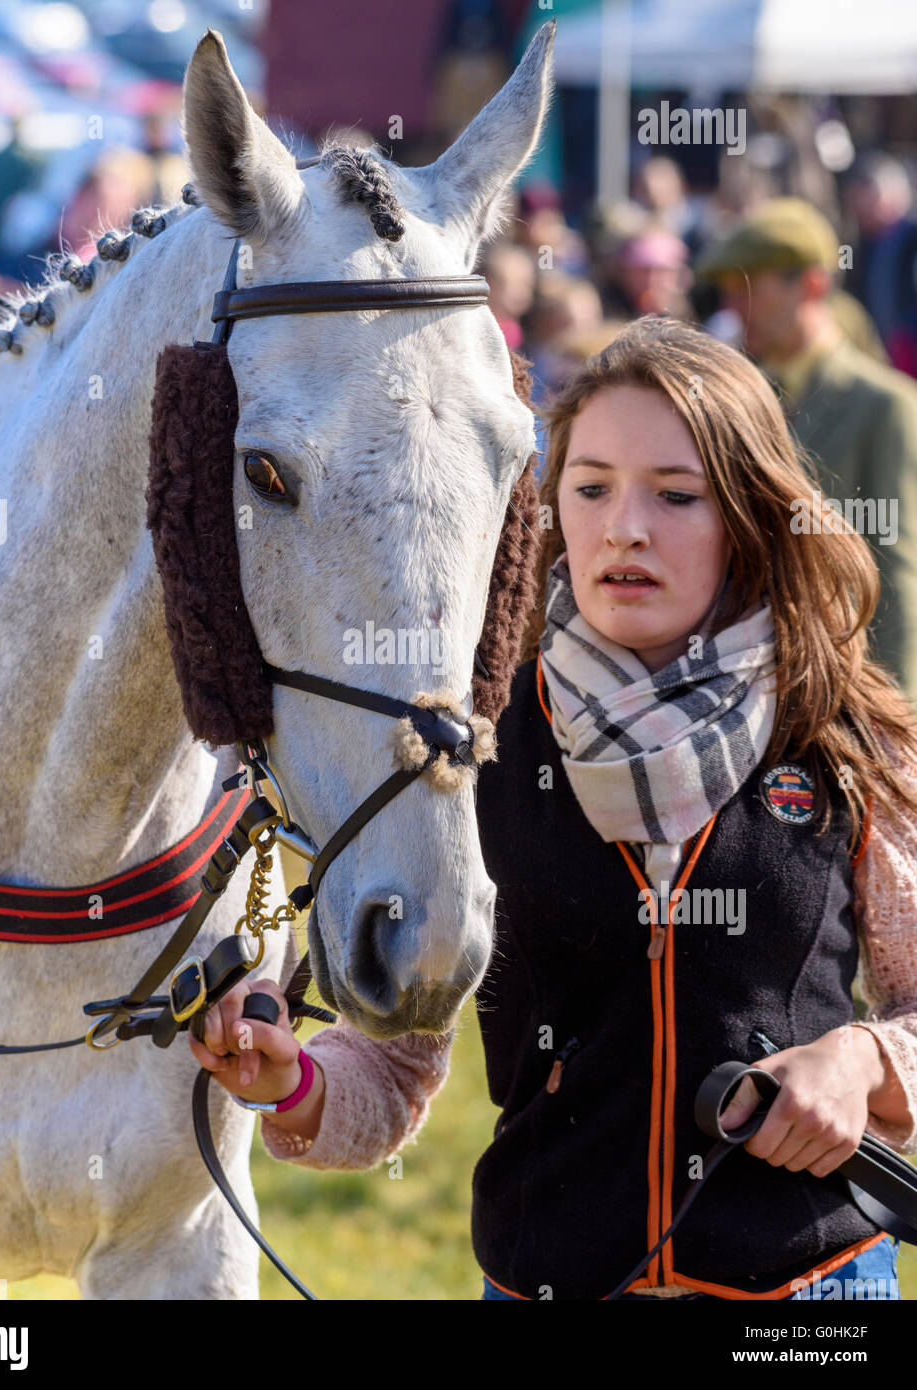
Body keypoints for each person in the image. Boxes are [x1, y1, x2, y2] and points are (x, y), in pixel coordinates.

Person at [189, 317, 917, 1301]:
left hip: (806, 1297)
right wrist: (294, 1081)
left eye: (674, 494)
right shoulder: (476, 748)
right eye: (590, 488)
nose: (624, 526)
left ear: (747, 512)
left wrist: (858, 1059)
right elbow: (394, 1059)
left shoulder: (843, 733)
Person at [697, 198, 917, 705]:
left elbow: (897, 576)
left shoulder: (885, 406)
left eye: (749, 290)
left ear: (813, 284)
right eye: (730, 292)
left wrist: (895, 720)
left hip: (842, 690)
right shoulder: (740, 398)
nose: (734, 308)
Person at [844, 153, 917, 378]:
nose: (863, 207)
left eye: (870, 196)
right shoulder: (855, 246)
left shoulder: (911, 238)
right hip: (878, 351)